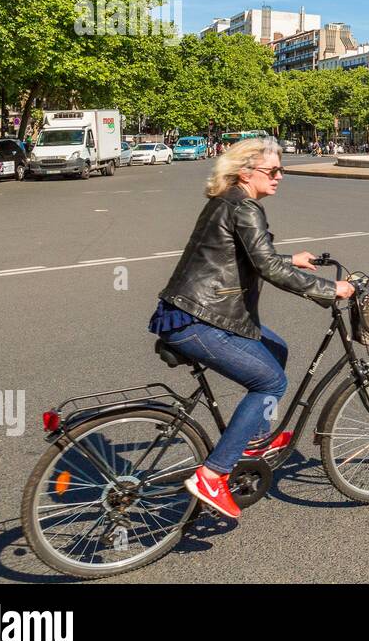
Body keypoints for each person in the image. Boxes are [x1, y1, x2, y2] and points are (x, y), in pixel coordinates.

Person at [148, 138, 355, 519]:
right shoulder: (245, 207)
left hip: (191, 311)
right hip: (199, 319)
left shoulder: (227, 199)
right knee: (270, 383)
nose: (280, 177)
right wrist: (332, 290)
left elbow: (244, 254)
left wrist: (289, 258)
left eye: (281, 170)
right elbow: (268, 269)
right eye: (272, 171)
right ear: (246, 172)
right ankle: (213, 475)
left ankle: (252, 441)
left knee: (276, 350)